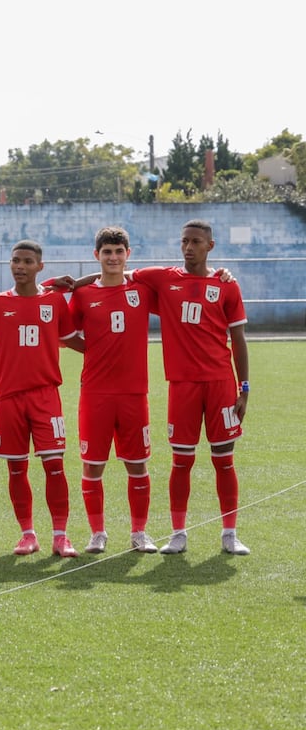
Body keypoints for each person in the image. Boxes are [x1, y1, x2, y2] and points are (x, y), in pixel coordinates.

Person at [131, 220, 250, 555]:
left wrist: (244, 388)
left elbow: (239, 340)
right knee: (181, 461)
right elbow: (115, 274)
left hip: (220, 385)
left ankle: (230, 534)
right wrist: (63, 284)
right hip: (181, 386)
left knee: (224, 460)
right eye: (184, 241)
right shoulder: (164, 278)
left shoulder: (226, 285)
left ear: (209, 246)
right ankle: (178, 534)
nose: (188, 247)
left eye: (196, 241)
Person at [0, 240, 82, 558]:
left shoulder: (56, 302)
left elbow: (74, 340)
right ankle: (27, 535)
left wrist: (115, 347)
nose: (20, 266)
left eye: (27, 261)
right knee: (16, 470)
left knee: (54, 466)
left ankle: (61, 536)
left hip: (46, 396)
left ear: (39, 266)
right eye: (15, 260)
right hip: (9, 398)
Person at [66, 226, 159, 554]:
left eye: (119, 252)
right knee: (92, 465)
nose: (113, 257)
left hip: (134, 393)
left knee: (137, 464)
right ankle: (97, 533)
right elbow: (64, 333)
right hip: (95, 393)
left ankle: (139, 533)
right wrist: (92, 350)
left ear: (127, 255)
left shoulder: (142, 290)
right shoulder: (84, 294)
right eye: (107, 252)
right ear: (97, 256)